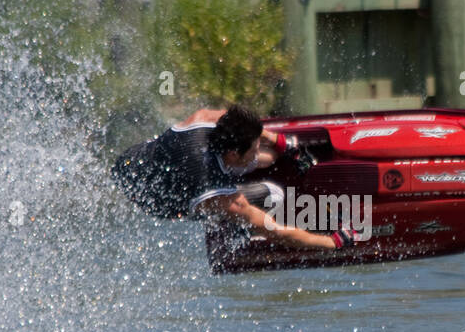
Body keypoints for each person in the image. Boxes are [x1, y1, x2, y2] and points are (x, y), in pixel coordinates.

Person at [111, 104, 357, 251]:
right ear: (231, 153)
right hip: (155, 199)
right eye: (251, 147)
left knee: (268, 157)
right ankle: (235, 230)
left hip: (130, 161)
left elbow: (236, 120)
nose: (257, 147)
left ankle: (266, 155)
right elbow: (273, 230)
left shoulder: (203, 119)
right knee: (274, 195)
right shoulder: (222, 196)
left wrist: (281, 142)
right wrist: (332, 243)